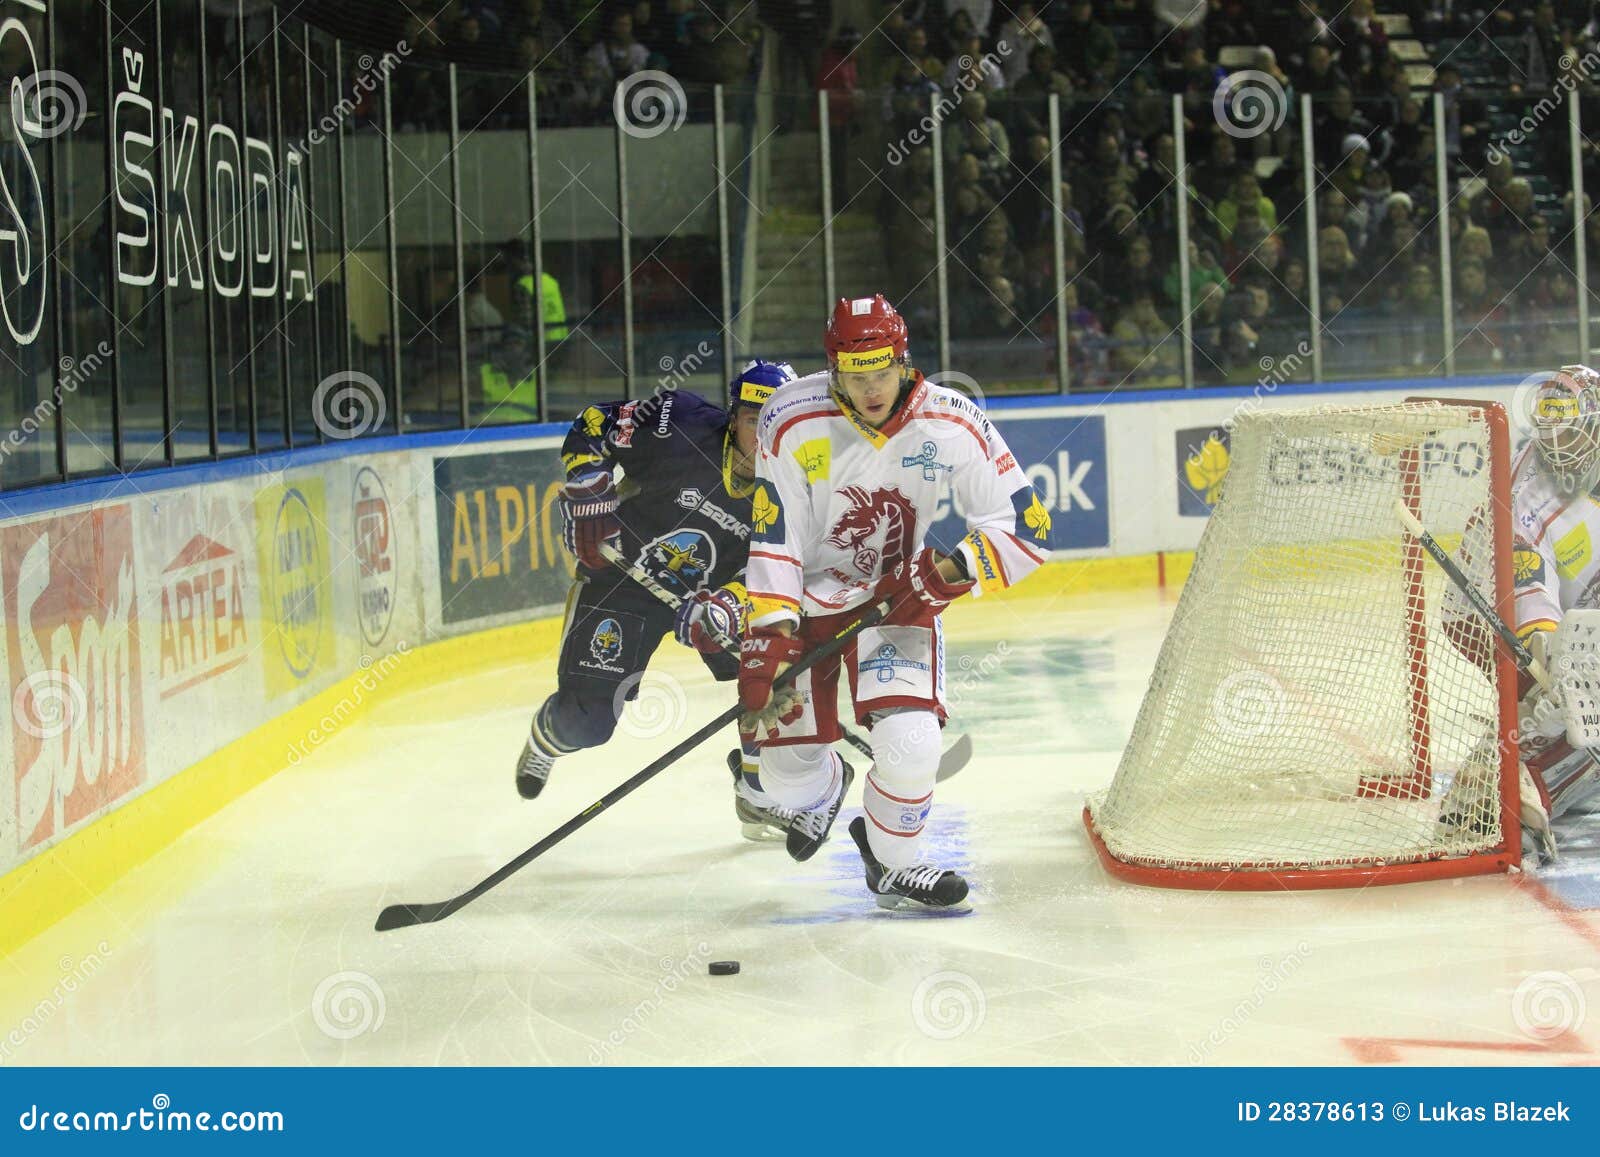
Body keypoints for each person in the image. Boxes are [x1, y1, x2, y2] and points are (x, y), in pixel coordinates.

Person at [735, 295, 1053, 909]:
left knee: (913, 746)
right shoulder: (790, 416)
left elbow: (1026, 525)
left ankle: (892, 863)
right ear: (833, 370)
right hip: (804, 606)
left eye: (882, 372)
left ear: (904, 361)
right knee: (787, 787)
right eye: (856, 376)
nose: (872, 389)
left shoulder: (950, 419)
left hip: (896, 600)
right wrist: (769, 637)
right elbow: (778, 533)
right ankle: (828, 781)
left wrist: (942, 577)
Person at [516, 360, 801, 843]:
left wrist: (730, 606)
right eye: (755, 421)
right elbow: (594, 425)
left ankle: (757, 789)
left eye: (778, 426)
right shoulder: (678, 422)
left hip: (711, 602)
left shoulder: (799, 488)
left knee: (781, 670)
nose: (765, 439)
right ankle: (549, 738)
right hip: (623, 581)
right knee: (586, 723)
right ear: (734, 416)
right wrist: (589, 494)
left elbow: (783, 571)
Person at [1446, 367, 1600, 854]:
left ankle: (1520, 772)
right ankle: (1494, 789)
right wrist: (1564, 668)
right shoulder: (1526, 499)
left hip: (1573, 603)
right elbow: (1535, 625)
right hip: (1481, 611)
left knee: (1581, 704)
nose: (1558, 445)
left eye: (1570, 432)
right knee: (1564, 692)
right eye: (1550, 432)